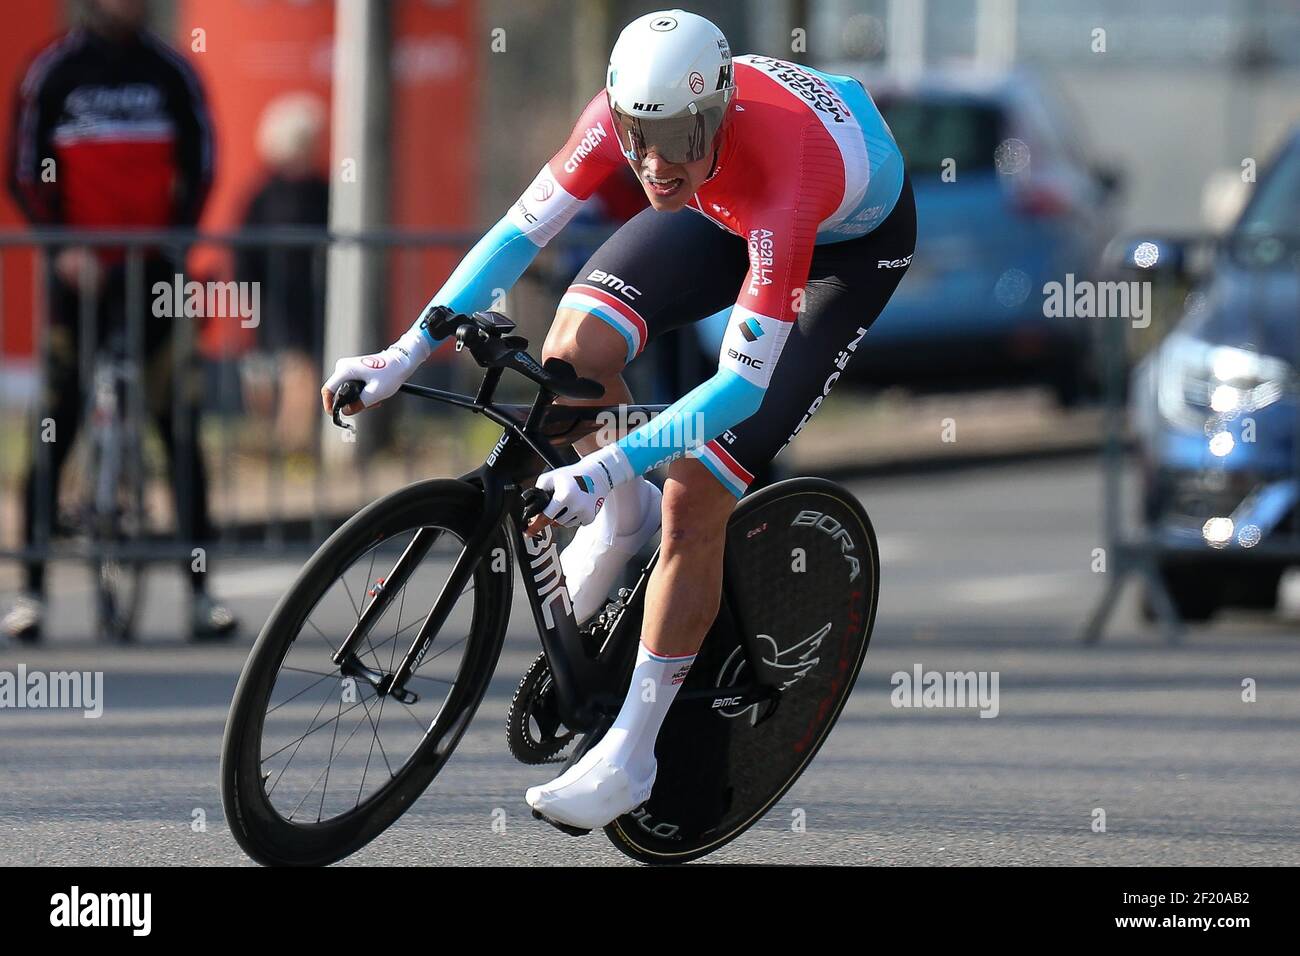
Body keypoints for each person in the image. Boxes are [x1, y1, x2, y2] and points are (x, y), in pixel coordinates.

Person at [322, 9, 914, 828]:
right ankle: (620, 521)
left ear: (719, 116)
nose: (654, 163)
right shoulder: (627, 127)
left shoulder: (786, 165)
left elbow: (740, 388)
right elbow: (519, 232)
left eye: (678, 139)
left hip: (838, 247)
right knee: (574, 349)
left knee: (697, 487)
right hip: (720, 209)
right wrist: (400, 354)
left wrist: (603, 466)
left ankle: (633, 752)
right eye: (639, 137)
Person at [3, 0, 237, 641]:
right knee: (55, 424)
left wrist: (175, 241)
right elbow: (23, 172)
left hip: (155, 275)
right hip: (75, 279)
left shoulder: (171, 71)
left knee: (178, 426)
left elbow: (203, 163)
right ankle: (33, 594)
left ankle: (198, 596)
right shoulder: (54, 70)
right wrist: (61, 245)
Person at [235, 93, 330, 456]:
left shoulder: (323, 191)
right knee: (263, 373)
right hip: (271, 298)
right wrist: (248, 296)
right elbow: (244, 249)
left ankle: (293, 446)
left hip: (310, 298)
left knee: (300, 369)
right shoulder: (262, 195)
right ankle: (270, 445)